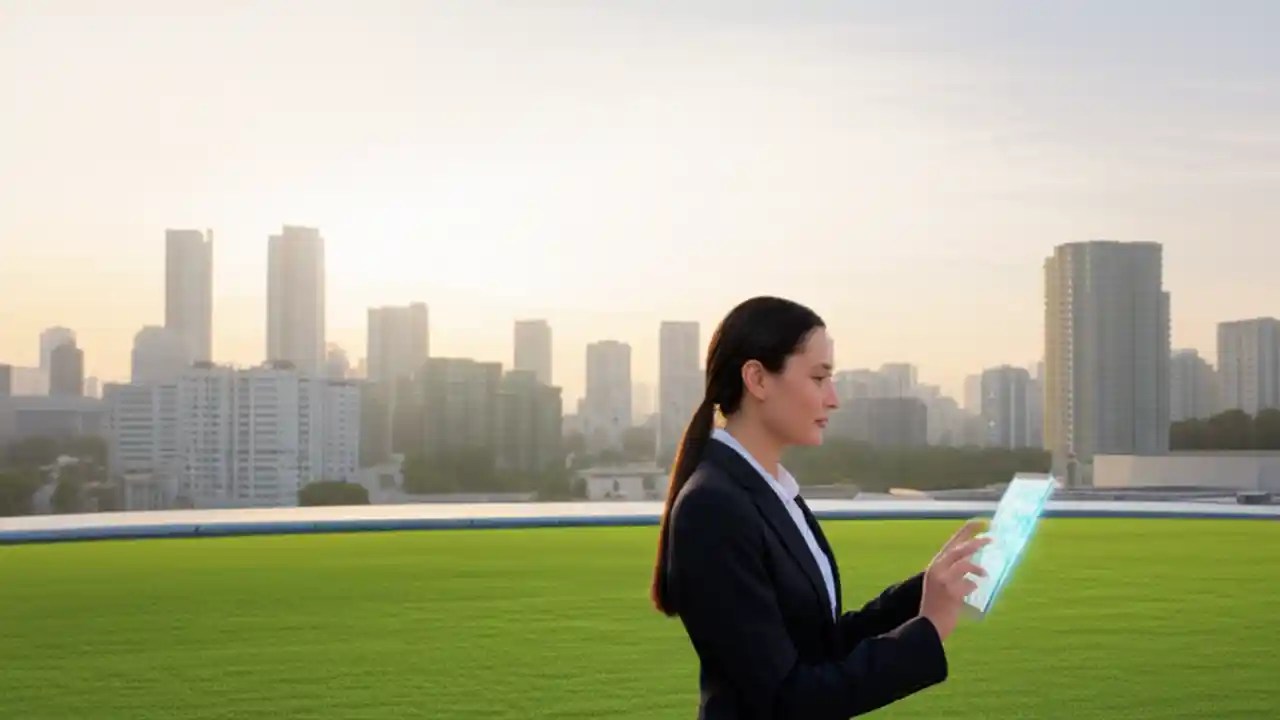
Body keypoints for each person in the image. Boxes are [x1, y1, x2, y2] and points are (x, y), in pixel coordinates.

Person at [651, 296, 989, 720]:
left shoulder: (772, 491)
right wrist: (929, 630)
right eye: (818, 378)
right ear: (757, 379)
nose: (833, 399)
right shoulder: (713, 508)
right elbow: (788, 700)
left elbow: (820, 644)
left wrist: (932, 586)